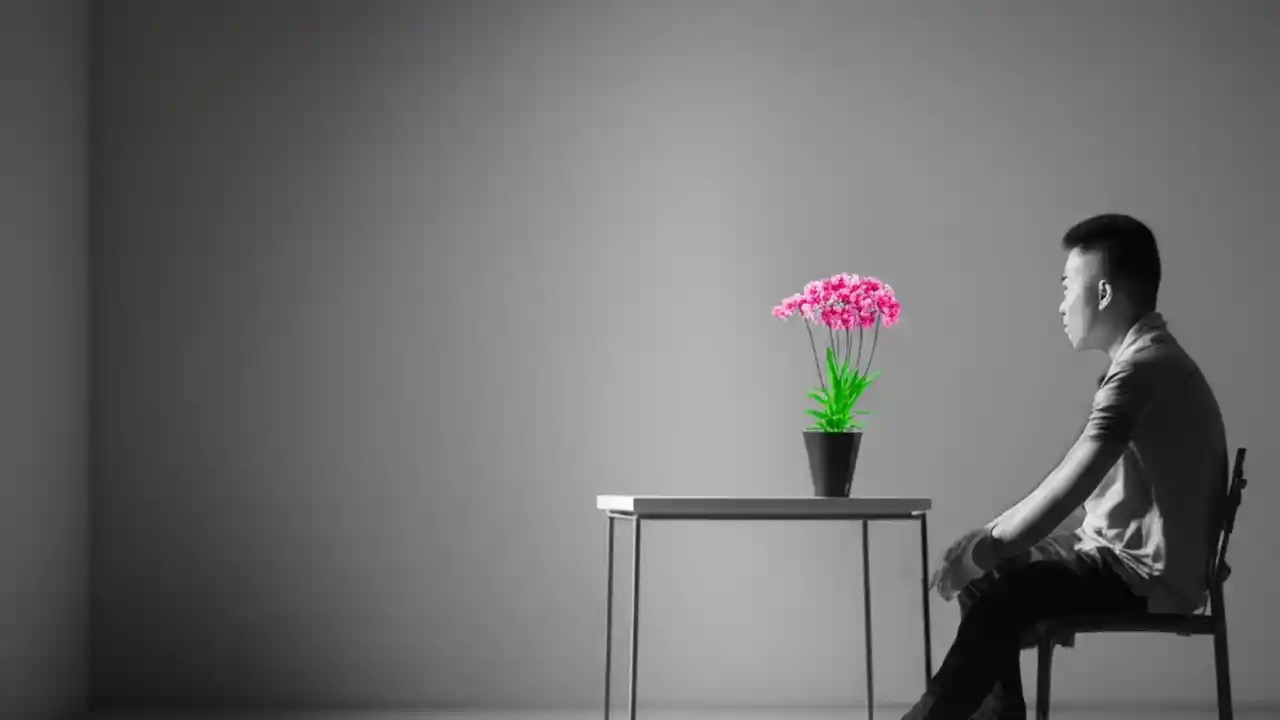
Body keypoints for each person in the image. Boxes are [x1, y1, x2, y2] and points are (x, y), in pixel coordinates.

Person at [902, 213, 1229, 720]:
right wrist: (987, 543)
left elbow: (1067, 491)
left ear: (1101, 294)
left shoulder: (1141, 371)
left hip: (1144, 576)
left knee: (1002, 591)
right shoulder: (1147, 360)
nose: (1060, 305)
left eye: (1066, 286)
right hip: (1124, 557)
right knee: (990, 579)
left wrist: (986, 547)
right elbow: (1078, 494)